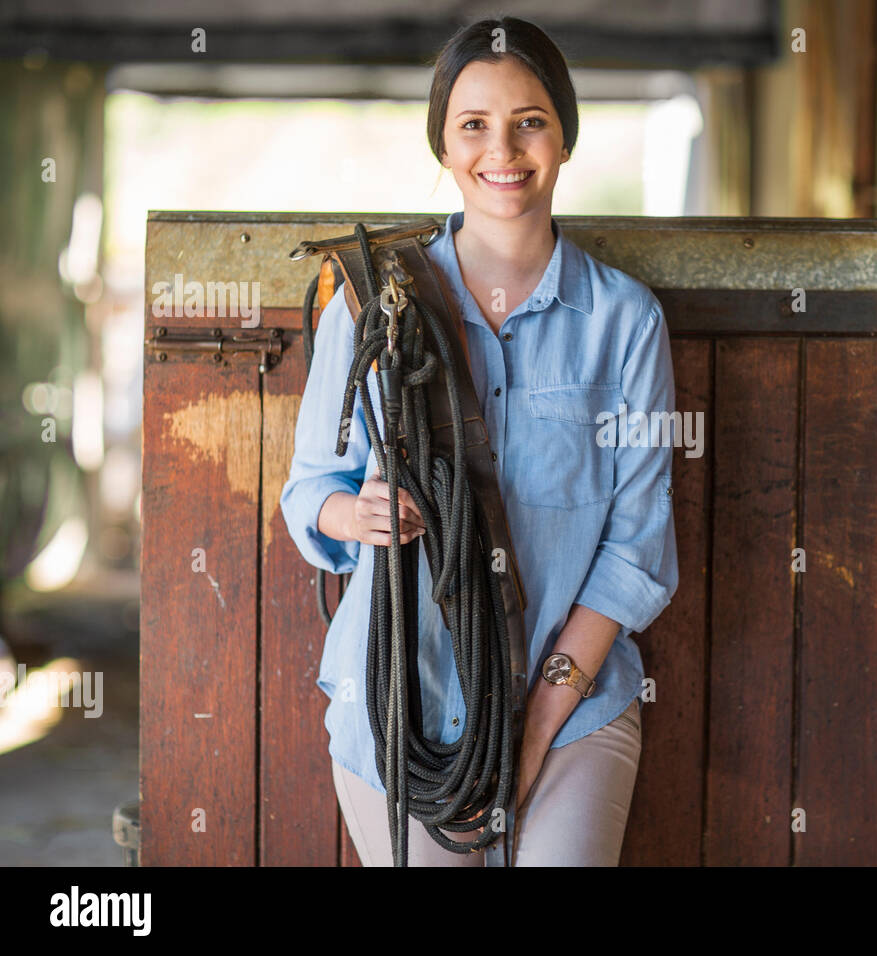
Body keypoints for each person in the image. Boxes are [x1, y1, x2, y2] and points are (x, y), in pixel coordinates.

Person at [279, 15, 679, 866]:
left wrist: (530, 731)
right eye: (474, 125)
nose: (504, 148)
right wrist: (358, 514)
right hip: (398, 714)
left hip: (570, 713)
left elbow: (637, 548)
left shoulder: (626, 323)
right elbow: (309, 488)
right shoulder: (372, 304)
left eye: (530, 120)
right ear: (445, 148)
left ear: (564, 137)